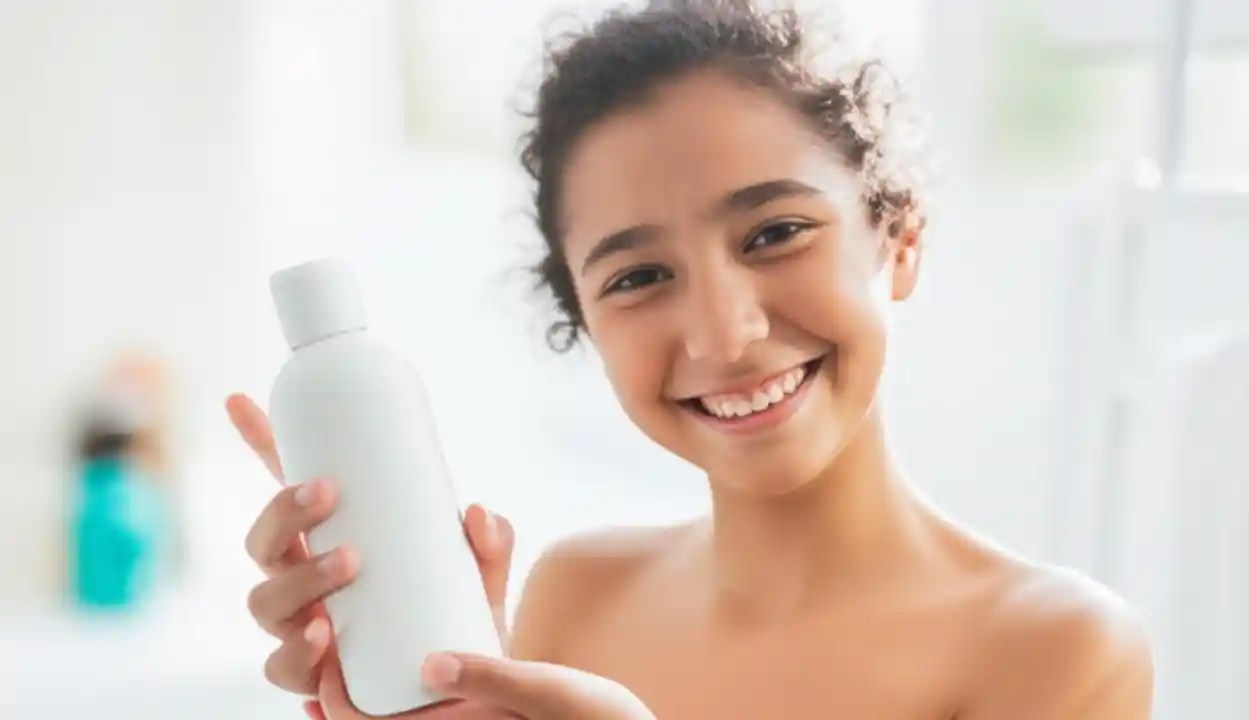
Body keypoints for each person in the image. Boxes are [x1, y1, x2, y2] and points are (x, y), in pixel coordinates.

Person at [226, 1, 1154, 717]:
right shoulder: (577, 598)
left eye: (776, 232)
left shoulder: (1053, 650)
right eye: (638, 278)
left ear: (899, 240)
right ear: (585, 322)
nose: (722, 333)